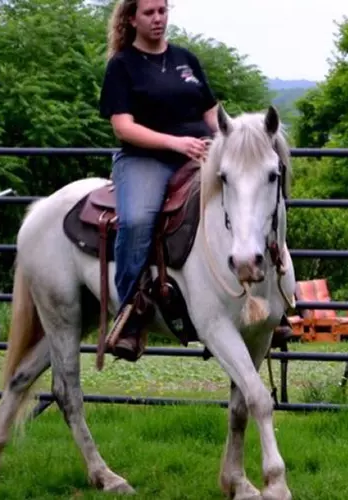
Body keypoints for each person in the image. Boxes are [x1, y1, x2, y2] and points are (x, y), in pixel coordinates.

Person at [99, 0, 219, 362]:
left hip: (199, 155)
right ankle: (130, 313)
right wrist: (174, 142)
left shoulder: (186, 59)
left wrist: (231, 140)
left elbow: (211, 113)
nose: (157, 19)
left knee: (248, 195)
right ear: (132, 18)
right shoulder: (122, 65)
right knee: (136, 221)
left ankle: (264, 300)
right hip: (144, 159)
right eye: (149, 12)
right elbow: (123, 126)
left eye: (162, 11)